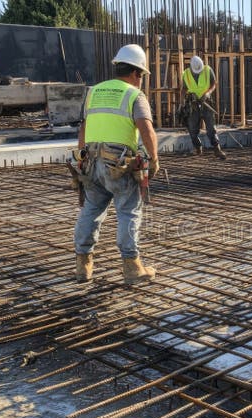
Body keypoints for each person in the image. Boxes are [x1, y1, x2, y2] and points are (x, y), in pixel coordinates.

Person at [74, 44, 160, 285]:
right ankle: (132, 267)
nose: (141, 80)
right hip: (118, 165)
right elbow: (146, 128)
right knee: (128, 211)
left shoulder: (94, 92)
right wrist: (153, 159)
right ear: (136, 73)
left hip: (91, 161)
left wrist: (81, 158)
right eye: (141, 76)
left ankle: (83, 264)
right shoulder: (134, 95)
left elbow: (84, 127)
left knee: (91, 210)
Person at [180, 55, 226, 160]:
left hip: (206, 102)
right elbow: (183, 89)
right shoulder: (186, 74)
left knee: (210, 127)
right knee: (192, 128)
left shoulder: (207, 70)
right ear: (191, 68)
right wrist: (182, 102)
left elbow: (214, 83)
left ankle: (217, 149)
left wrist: (208, 93)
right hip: (193, 104)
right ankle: (197, 148)